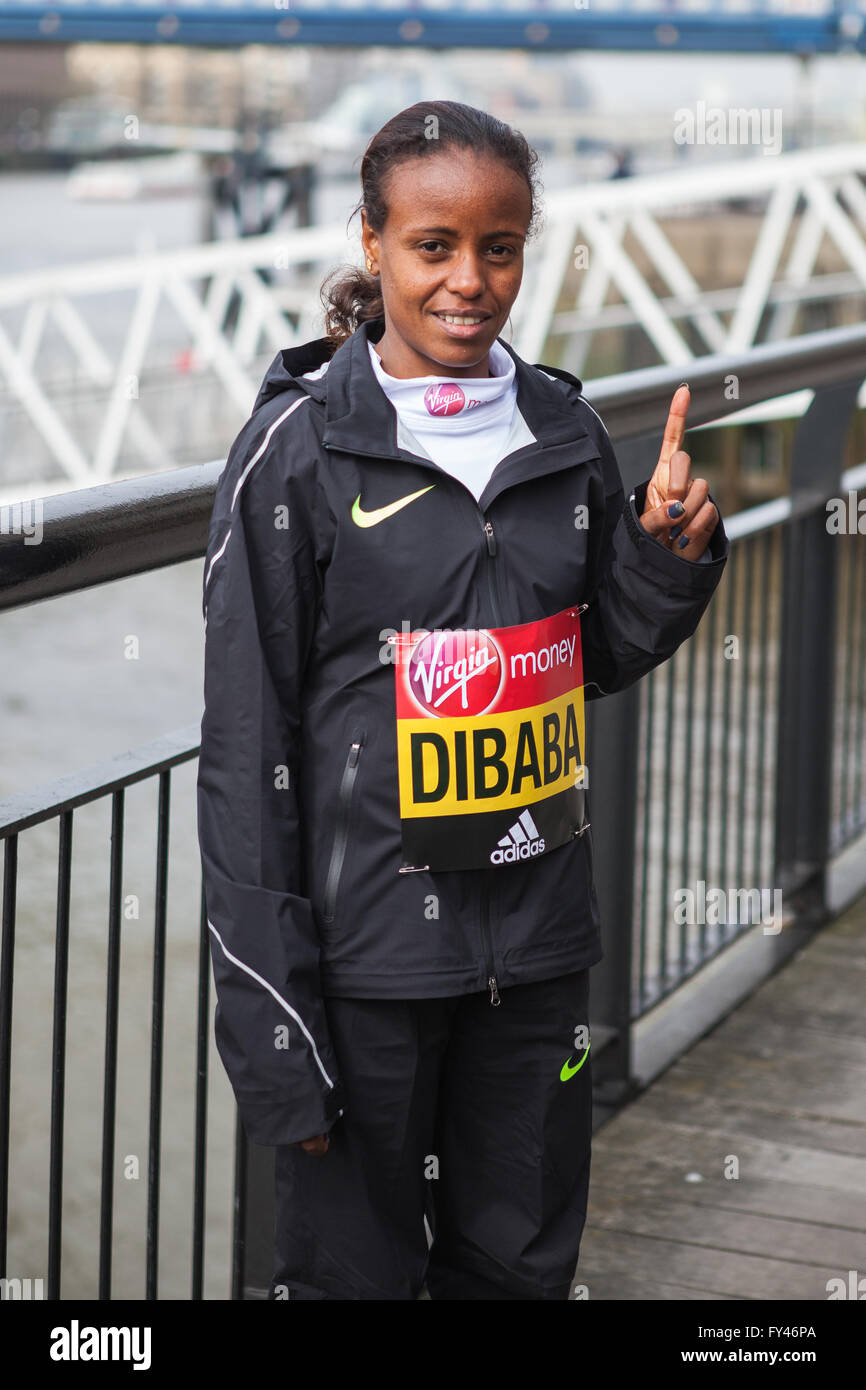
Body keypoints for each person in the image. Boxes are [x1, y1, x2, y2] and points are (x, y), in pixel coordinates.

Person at [196, 100, 729, 1301]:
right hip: (364, 975)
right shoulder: (294, 452)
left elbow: (591, 651)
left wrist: (665, 558)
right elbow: (244, 752)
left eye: (499, 246)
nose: (467, 281)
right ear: (373, 244)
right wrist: (277, 1021)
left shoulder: (562, 427)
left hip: (535, 961)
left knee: (522, 1271)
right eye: (432, 245)